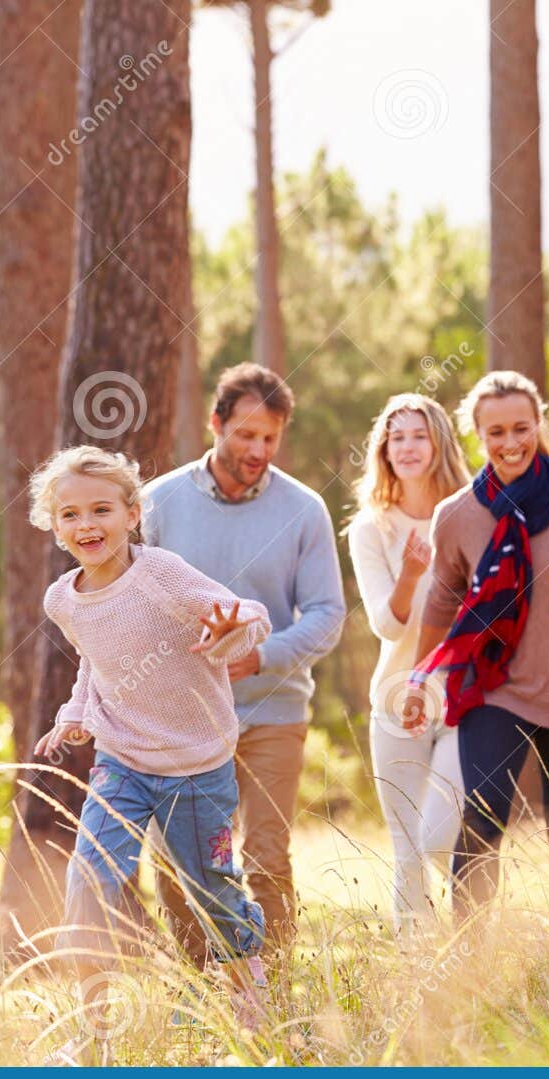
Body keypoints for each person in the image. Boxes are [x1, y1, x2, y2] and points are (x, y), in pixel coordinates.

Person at [29, 446, 272, 1062]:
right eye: (70, 515)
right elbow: (94, 663)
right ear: (53, 526)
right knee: (87, 879)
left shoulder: (160, 573)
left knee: (214, 891)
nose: (88, 526)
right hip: (122, 762)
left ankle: (255, 1014)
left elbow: (251, 616)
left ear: (132, 514)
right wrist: (75, 717)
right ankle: (96, 1037)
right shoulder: (63, 600)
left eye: (102, 510)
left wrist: (229, 632)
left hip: (197, 764)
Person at [142, 363, 346, 952]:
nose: (258, 450)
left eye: (270, 438)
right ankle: (200, 991)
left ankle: (271, 993)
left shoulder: (304, 509)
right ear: (216, 424)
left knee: (264, 857)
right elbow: (135, 602)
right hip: (181, 716)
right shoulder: (159, 503)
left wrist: (260, 657)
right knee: (180, 863)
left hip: (272, 712)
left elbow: (327, 614)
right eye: (246, 435)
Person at [402, 372, 549, 920]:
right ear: (477, 434)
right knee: (483, 815)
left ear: (538, 423)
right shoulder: (457, 514)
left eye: (521, 427)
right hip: (496, 688)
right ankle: (468, 956)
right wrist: (417, 679)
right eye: (496, 431)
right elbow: (442, 602)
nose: (511, 442)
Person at [347, 394, 471, 935]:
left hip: (466, 697)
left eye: (418, 434)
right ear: (383, 451)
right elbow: (387, 625)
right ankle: (415, 965)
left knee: (444, 836)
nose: (407, 446)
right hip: (396, 696)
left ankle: (475, 943)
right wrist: (409, 576)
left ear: (439, 442)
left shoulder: (470, 512)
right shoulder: (370, 528)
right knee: (406, 847)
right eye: (395, 437)